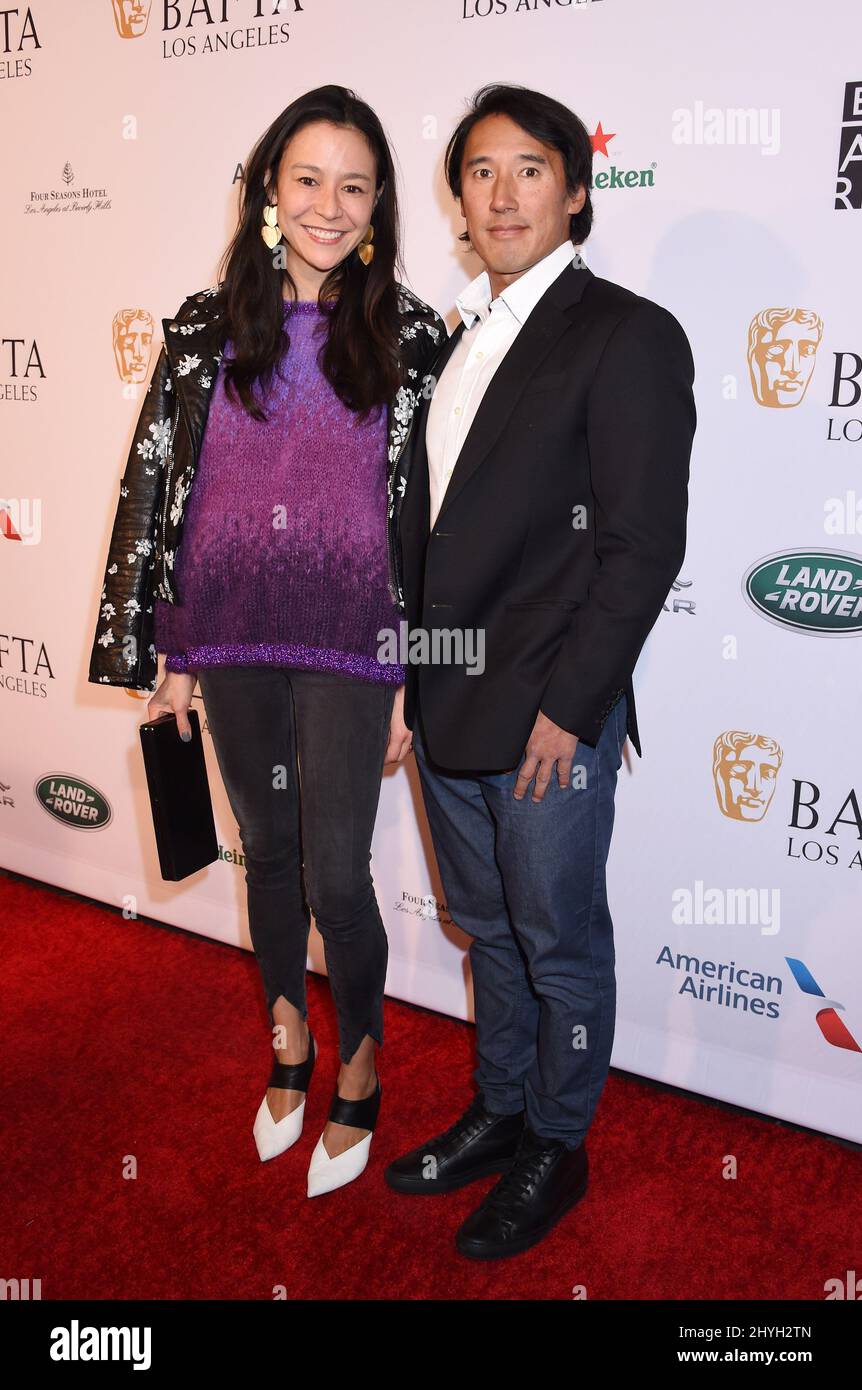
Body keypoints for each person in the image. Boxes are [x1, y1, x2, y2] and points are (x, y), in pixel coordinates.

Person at [89, 85, 445, 1198]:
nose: (329, 206)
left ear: (380, 200)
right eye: (307, 179)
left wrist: (416, 676)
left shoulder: (414, 332)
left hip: (353, 644)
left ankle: (364, 1069)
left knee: (340, 873)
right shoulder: (204, 326)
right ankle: (289, 1050)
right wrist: (165, 650)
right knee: (271, 856)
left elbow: (432, 514)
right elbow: (159, 483)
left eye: (354, 184)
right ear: (265, 192)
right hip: (230, 633)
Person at [386, 83, 696, 1258]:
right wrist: (411, 685)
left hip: (547, 722)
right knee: (489, 932)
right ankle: (503, 1110)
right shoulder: (457, 339)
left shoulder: (625, 332)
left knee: (557, 942)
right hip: (451, 700)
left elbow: (639, 547)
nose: (502, 192)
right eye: (480, 170)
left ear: (575, 191)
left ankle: (558, 1144)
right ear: (457, 197)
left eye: (530, 168)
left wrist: (573, 709)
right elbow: (435, 543)